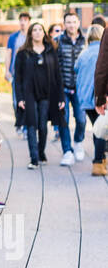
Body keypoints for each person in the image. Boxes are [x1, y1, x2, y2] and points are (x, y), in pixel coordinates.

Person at [15, 22, 65, 169]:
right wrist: (19, 98)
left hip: (46, 94)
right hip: (28, 94)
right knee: (31, 124)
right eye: (34, 30)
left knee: (43, 126)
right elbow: (17, 78)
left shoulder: (51, 51)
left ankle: (41, 152)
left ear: (44, 33)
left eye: (40, 30)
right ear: (30, 34)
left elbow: (58, 75)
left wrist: (61, 97)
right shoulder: (23, 53)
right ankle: (34, 158)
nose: (37, 32)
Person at [74, 24, 107, 176]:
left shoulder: (83, 53)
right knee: (100, 130)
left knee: (98, 128)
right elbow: (101, 74)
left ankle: (101, 160)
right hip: (98, 97)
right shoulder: (101, 52)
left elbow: (76, 71)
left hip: (85, 99)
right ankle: (98, 162)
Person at [55, 9, 87, 164]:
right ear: (64, 24)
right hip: (63, 88)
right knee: (64, 119)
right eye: (68, 22)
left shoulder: (85, 41)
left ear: (78, 23)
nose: (71, 25)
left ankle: (78, 142)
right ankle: (67, 151)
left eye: (74, 22)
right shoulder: (58, 41)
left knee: (81, 119)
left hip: (80, 88)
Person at [6, 12, 30, 133]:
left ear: (28, 22)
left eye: (25, 20)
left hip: (30, 74)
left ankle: (26, 125)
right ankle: (19, 121)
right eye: (21, 20)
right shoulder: (13, 37)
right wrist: (7, 70)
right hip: (16, 73)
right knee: (16, 100)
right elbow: (8, 53)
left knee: (28, 99)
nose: (22, 22)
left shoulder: (32, 37)